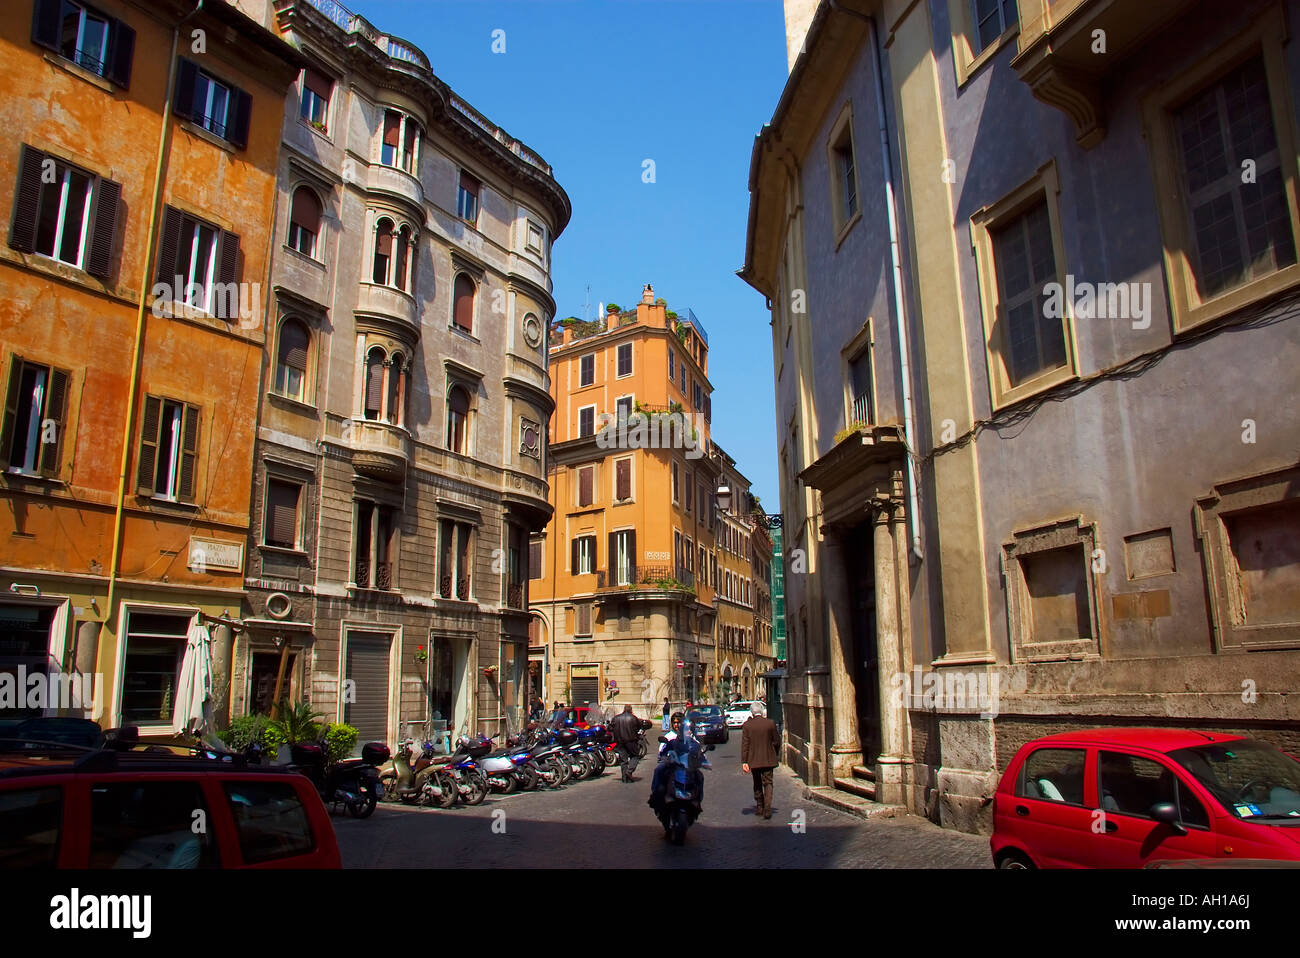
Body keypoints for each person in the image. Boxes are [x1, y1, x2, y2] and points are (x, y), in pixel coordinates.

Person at [741, 700, 781, 820]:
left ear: (752, 712)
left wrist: (744, 761)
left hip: (754, 760)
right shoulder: (770, 723)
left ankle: (760, 806)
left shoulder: (747, 726)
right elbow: (776, 741)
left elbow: (745, 744)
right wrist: (775, 752)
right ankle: (768, 808)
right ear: (762, 711)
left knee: (757, 782)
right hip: (768, 758)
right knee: (768, 783)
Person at [610, 704, 651, 782]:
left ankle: (624, 777)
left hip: (620, 741)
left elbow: (610, 727)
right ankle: (629, 772)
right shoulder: (633, 718)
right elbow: (639, 726)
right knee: (635, 756)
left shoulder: (616, 718)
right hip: (631, 741)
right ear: (631, 710)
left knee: (623, 760)